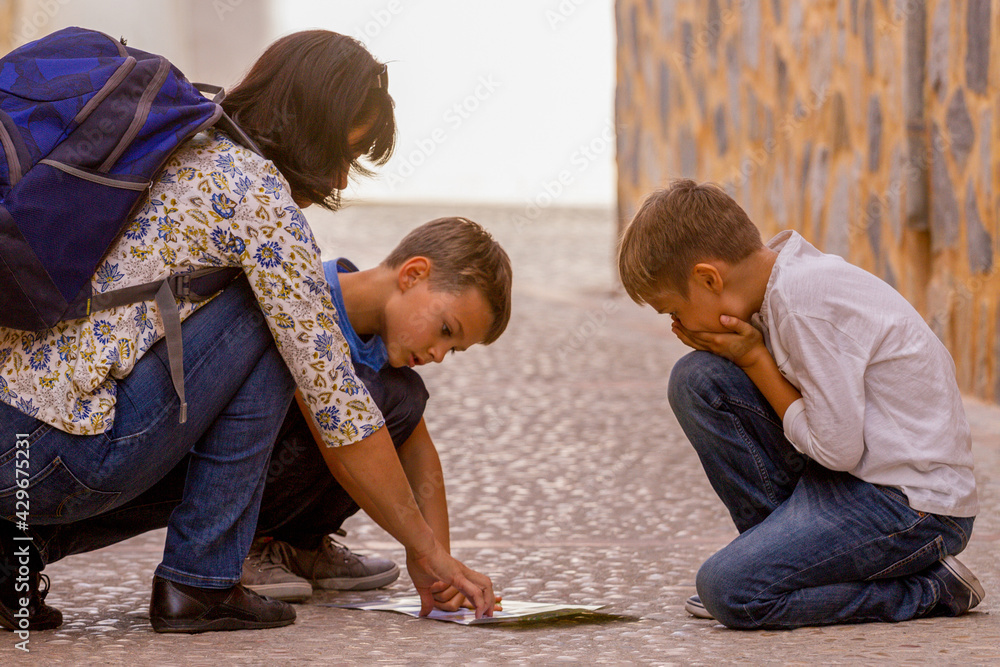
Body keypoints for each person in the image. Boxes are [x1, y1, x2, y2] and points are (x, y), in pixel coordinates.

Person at [0, 30, 495, 635]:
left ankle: (9, 557)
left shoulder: (181, 140)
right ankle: (200, 583)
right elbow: (340, 412)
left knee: (243, 369)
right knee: (277, 320)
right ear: (311, 119)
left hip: (12, 443)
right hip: (50, 456)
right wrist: (429, 553)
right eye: (344, 153)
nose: (340, 181)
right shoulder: (260, 202)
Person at [32, 217, 512, 615]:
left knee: (402, 401)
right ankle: (249, 544)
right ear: (412, 274)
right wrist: (425, 549)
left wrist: (435, 559)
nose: (440, 352)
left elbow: (418, 453)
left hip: (249, 465)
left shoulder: (389, 365)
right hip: (168, 454)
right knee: (357, 420)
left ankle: (297, 545)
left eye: (455, 347)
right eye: (446, 329)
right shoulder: (305, 301)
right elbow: (344, 445)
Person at [617, 179, 983, 629]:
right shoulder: (776, 285)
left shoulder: (802, 304)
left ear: (709, 278)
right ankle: (784, 569)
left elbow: (836, 450)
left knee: (729, 592)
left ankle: (928, 589)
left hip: (915, 508)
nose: (677, 325)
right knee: (698, 379)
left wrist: (754, 359)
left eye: (672, 310)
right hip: (856, 482)